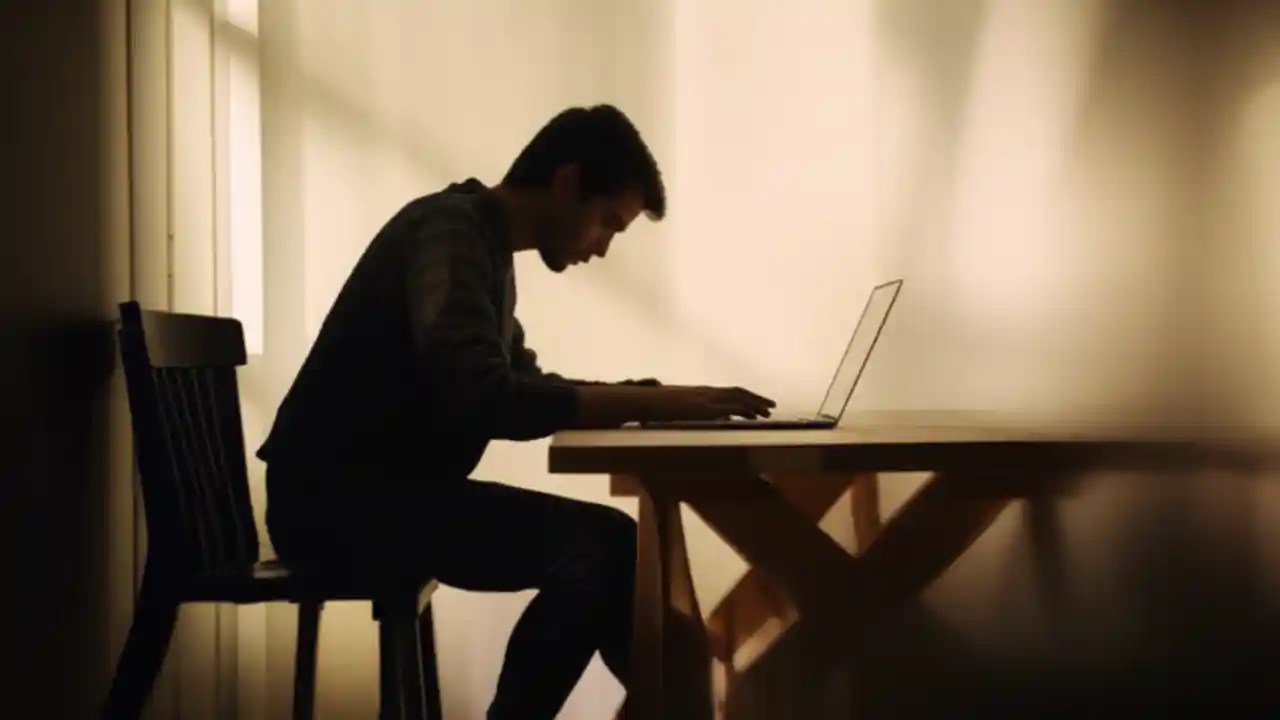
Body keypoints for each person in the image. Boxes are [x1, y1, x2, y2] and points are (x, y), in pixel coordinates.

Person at [257, 104, 776, 719]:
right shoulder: (451, 235)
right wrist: (651, 400)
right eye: (608, 222)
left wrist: (653, 397)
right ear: (567, 183)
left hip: (383, 495)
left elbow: (522, 382)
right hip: (336, 505)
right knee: (602, 550)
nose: (604, 248)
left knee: (627, 574)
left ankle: (676, 703)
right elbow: (481, 394)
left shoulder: (481, 245)